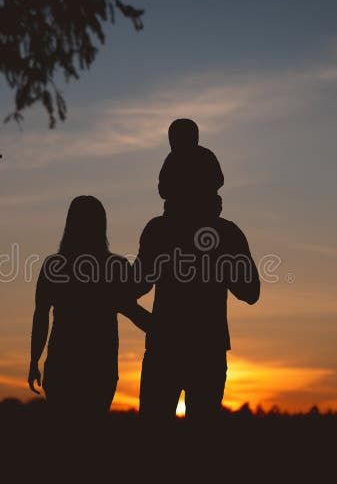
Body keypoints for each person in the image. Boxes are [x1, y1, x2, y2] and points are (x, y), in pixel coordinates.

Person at [135, 121, 260, 419]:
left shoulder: (160, 230)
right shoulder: (226, 233)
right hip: (205, 349)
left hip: (176, 349)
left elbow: (136, 285)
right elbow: (250, 292)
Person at [28, 195, 150, 416]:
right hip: (100, 364)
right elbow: (131, 308)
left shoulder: (54, 266)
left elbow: (41, 315)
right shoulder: (114, 266)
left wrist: (34, 360)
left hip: (62, 363)